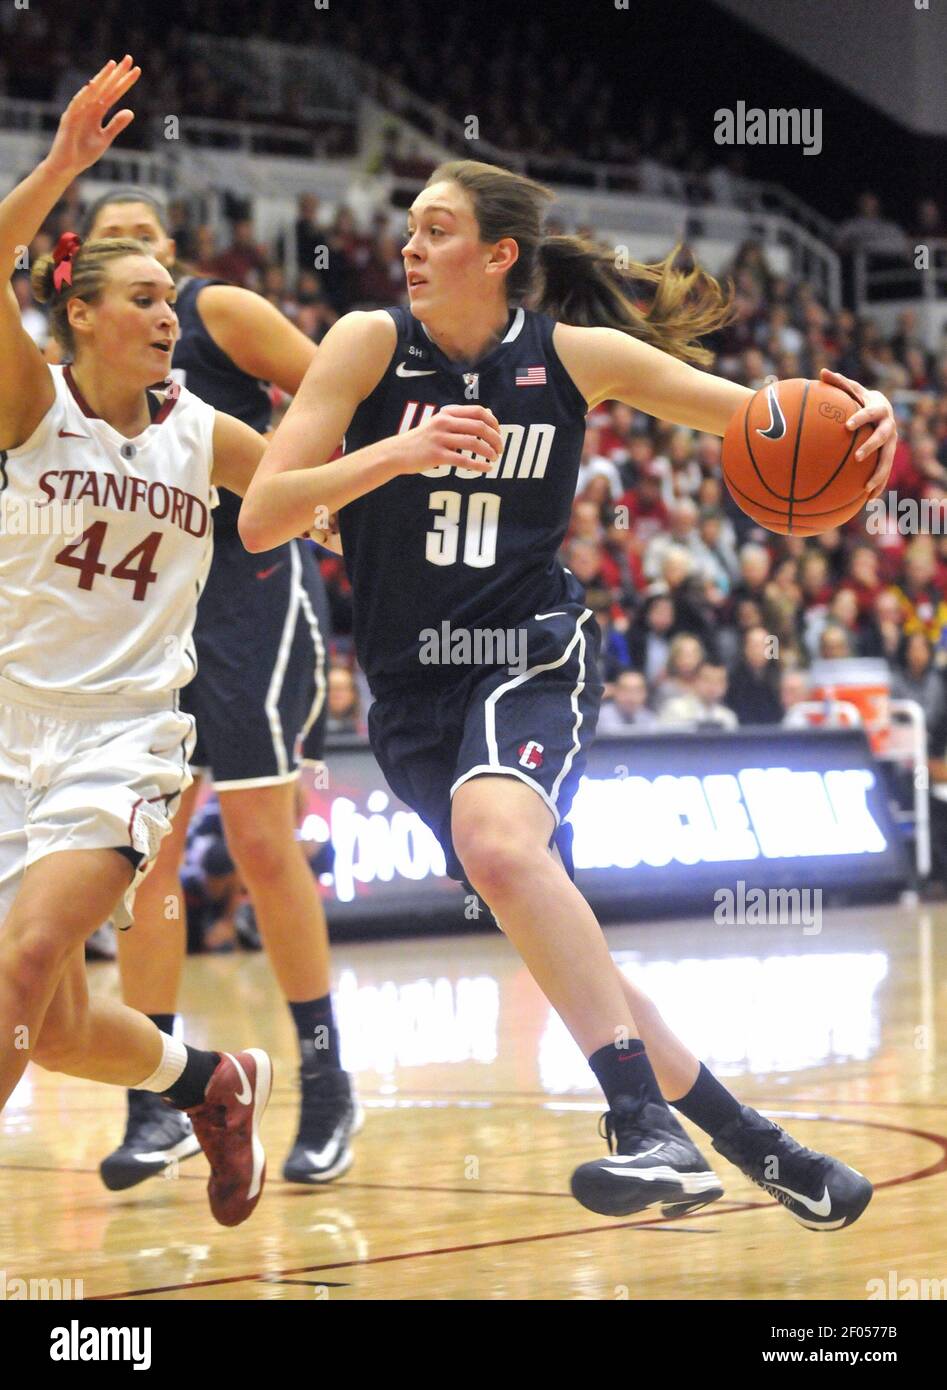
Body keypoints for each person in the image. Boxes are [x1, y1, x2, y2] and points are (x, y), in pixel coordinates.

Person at [239, 158, 896, 1228]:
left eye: (436, 229)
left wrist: (861, 414)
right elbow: (264, 515)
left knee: (498, 848)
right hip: (407, 699)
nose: (408, 245)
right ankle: (761, 1148)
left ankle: (642, 1131)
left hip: (529, 648)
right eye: (407, 228)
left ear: (498, 255)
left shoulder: (568, 355)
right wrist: (397, 453)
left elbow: (765, 423)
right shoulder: (366, 345)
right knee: (572, 949)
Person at [0, 57, 271, 1227]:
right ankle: (213, 1081)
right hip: (11, 726)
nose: (174, 315)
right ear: (83, 317)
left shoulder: (204, 434)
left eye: (175, 299)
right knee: (53, 1027)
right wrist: (60, 167)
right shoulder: (29, 406)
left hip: (125, 743)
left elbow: (310, 492)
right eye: (148, 299)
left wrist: (406, 459)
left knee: (17, 969)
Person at [68, 172, 356, 1186]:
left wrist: (295, 483)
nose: (144, 255)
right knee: (142, 861)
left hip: (254, 592)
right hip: (152, 618)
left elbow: (342, 382)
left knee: (258, 839)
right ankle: (155, 1097)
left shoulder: (216, 310)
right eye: (119, 241)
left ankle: (326, 1083)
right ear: (84, 273)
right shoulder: (77, 367)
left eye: (154, 237)